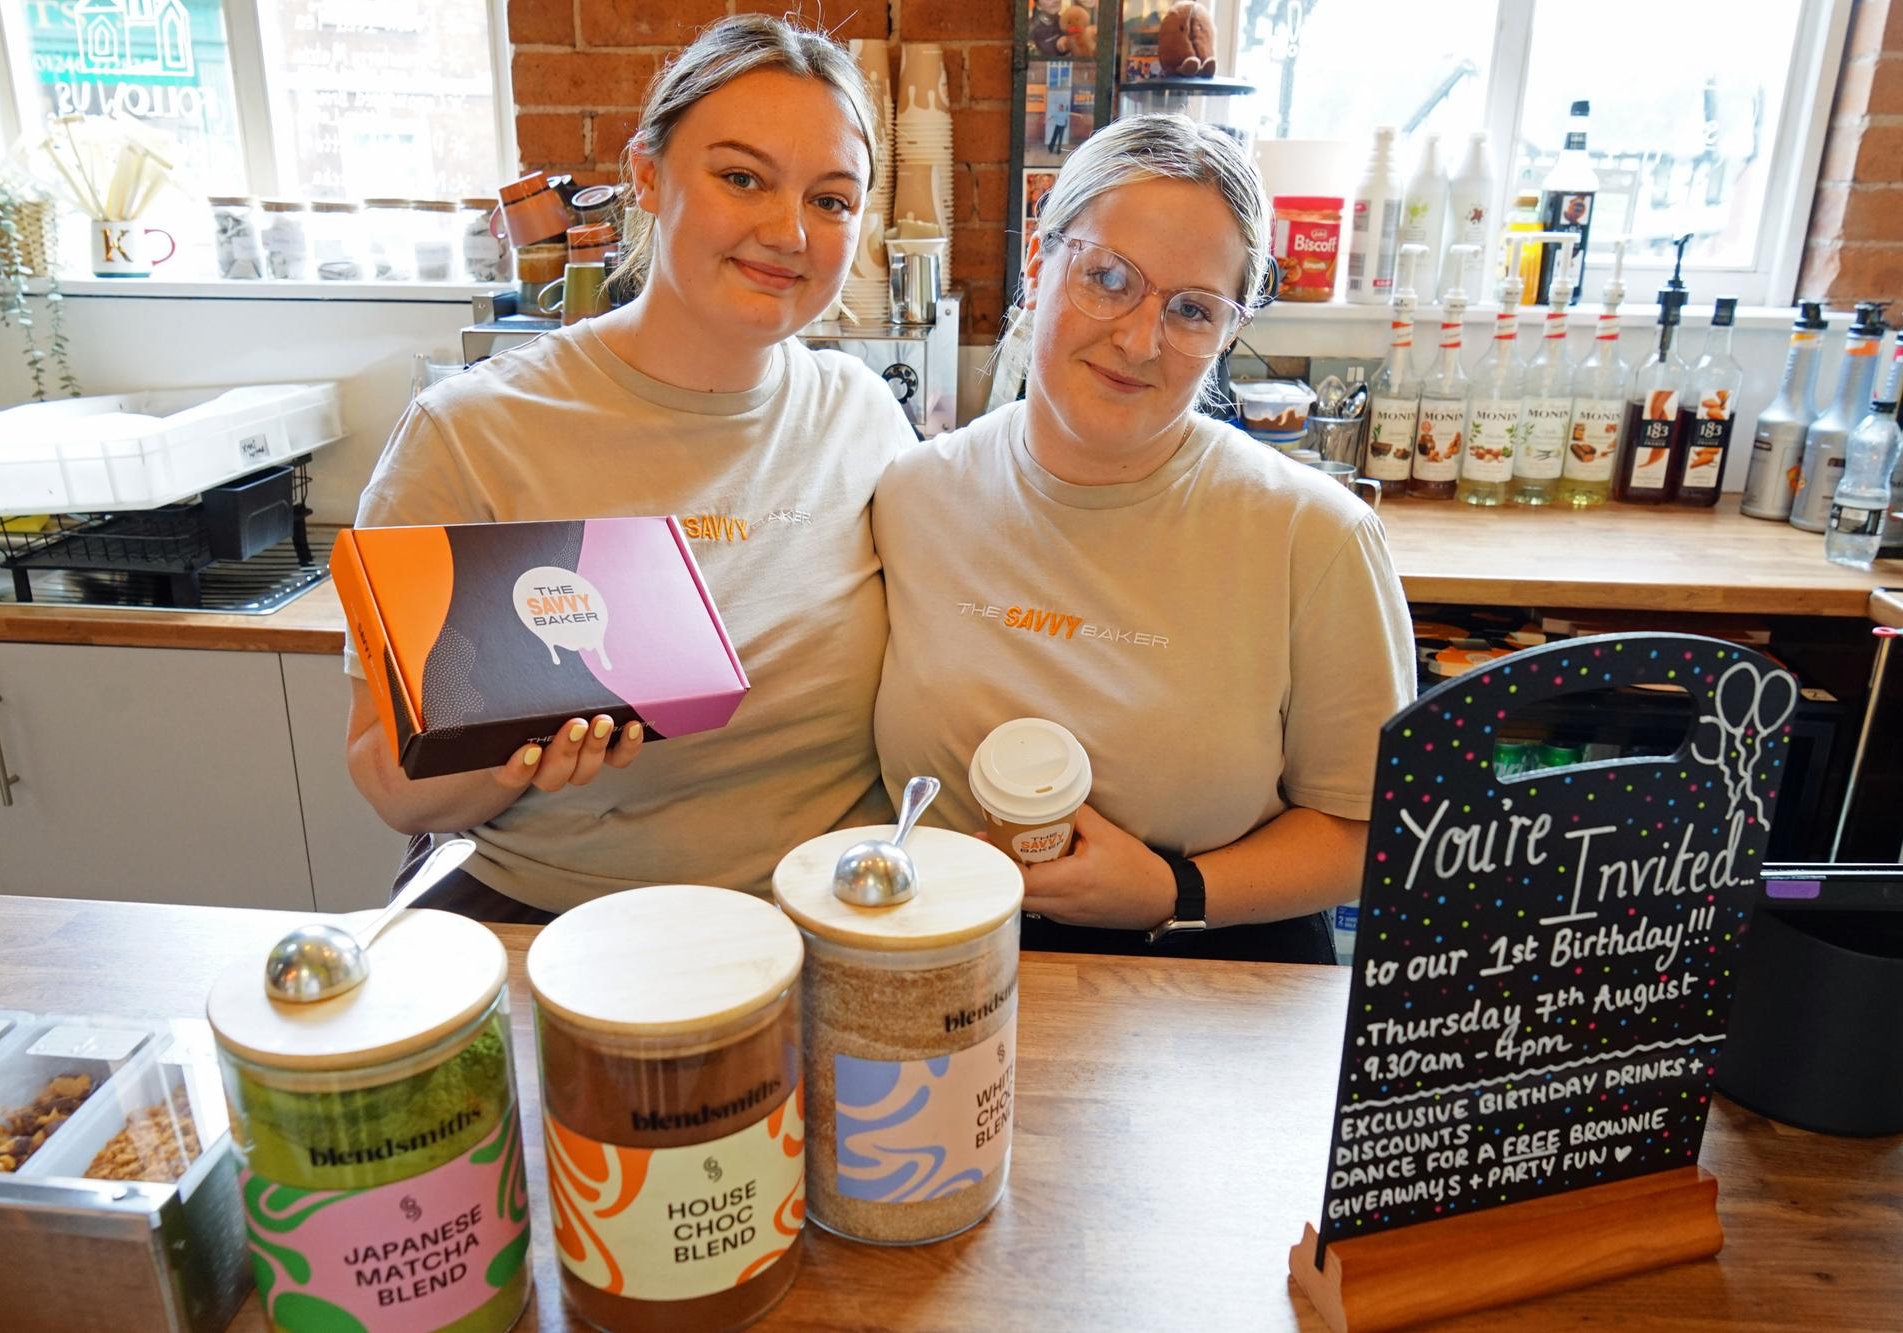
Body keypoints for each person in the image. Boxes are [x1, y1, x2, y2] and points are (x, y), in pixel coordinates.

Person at [345, 15, 912, 920]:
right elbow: (389, 781)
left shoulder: (863, 418)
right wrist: (513, 752)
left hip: (834, 917)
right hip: (562, 926)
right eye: (742, 178)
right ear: (646, 175)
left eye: (832, 200)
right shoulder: (472, 433)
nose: (789, 232)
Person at [872, 115, 1416, 963]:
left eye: (1192, 309)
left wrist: (1173, 891)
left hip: (1213, 979)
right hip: (946, 965)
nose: (1137, 340)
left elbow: (1369, 830)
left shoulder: (1314, 536)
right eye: (1108, 277)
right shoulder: (914, 496)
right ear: (1037, 262)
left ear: (1230, 331)